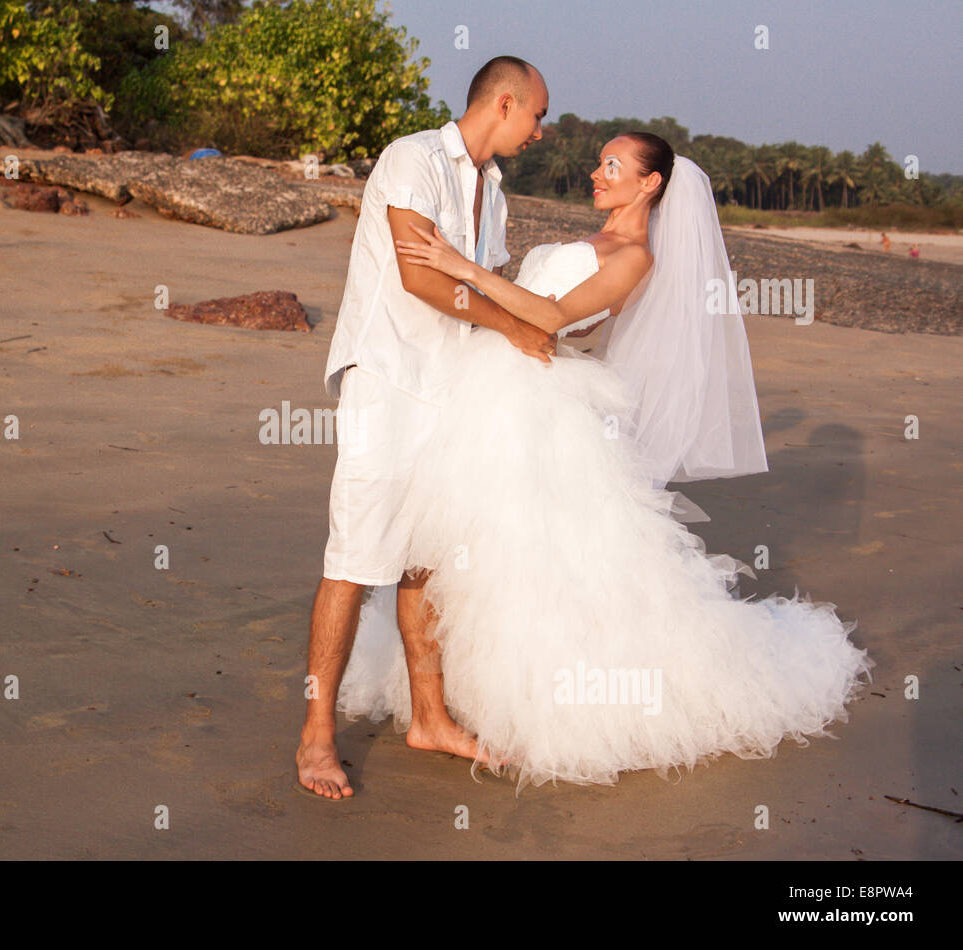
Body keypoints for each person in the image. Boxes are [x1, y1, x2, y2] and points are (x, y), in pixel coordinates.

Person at [337, 134, 873, 791]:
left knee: (527, 555)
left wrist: (465, 269)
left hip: (528, 401)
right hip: (483, 382)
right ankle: (439, 706)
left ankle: (531, 696)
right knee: (447, 548)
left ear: (649, 185)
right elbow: (550, 317)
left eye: (611, 166)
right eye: (599, 161)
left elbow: (558, 314)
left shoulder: (635, 257)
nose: (596, 172)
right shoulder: (594, 240)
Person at [296, 56, 556, 799]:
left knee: (427, 560)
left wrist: (540, 327)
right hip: (387, 380)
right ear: (503, 102)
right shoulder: (411, 158)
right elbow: (422, 277)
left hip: (452, 388)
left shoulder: (494, 192)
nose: (540, 131)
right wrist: (512, 326)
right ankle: (316, 738)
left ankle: (429, 717)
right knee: (354, 556)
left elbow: (486, 281)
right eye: (537, 115)